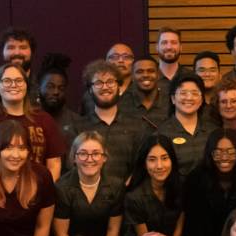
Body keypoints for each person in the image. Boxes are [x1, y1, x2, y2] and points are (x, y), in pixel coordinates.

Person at [0, 62, 66, 179]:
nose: (14, 85)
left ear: (27, 86)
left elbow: (54, 164)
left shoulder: (44, 120)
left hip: (39, 193)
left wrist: (45, 191)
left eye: (19, 80)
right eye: (7, 81)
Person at [53, 131, 124, 236]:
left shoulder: (116, 186)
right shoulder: (62, 188)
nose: (89, 159)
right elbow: (61, 234)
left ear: (104, 157)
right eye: (83, 154)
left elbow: (114, 231)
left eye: (96, 154)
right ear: (74, 158)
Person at [72, 59, 147, 187]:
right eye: (99, 83)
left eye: (110, 82)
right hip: (88, 198)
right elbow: (73, 165)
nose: (105, 87)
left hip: (127, 198)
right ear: (90, 90)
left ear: (119, 87)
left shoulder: (137, 126)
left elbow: (141, 165)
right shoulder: (79, 126)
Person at [123, 134, 185, 236]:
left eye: (164, 158)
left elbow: (179, 228)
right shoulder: (134, 196)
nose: (159, 166)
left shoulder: (182, 186)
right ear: (144, 163)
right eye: (152, 159)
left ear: (172, 160)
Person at [157, 71, 218, 176]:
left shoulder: (213, 131)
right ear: (173, 99)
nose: (189, 98)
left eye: (195, 93)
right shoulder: (162, 133)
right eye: (183, 93)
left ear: (202, 99)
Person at [38, 52, 84, 145]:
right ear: (39, 87)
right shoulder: (30, 118)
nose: (56, 92)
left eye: (61, 88)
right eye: (50, 87)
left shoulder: (76, 121)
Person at [121, 56, 171, 128]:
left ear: (158, 75)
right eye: (139, 72)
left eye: (150, 71)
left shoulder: (171, 103)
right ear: (132, 76)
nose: (145, 75)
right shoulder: (122, 104)